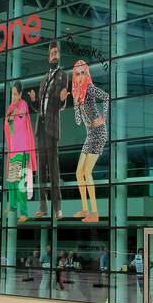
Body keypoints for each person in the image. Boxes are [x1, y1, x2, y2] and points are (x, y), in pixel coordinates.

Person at [29, 40, 69, 221]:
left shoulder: (63, 75)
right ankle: (43, 207)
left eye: (56, 53)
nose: (54, 55)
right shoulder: (44, 79)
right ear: (48, 57)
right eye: (52, 53)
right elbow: (39, 107)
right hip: (41, 130)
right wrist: (34, 101)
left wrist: (63, 100)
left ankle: (58, 209)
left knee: (54, 172)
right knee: (41, 172)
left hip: (52, 129)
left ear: (59, 55)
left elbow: (61, 103)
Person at [70, 60, 109, 223]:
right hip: (89, 134)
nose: (80, 76)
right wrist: (75, 103)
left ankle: (94, 212)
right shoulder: (77, 94)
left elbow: (106, 97)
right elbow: (78, 121)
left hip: (98, 133)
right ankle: (85, 209)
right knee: (79, 172)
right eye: (77, 74)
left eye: (83, 73)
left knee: (87, 172)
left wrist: (103, 117)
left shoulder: (91, 89)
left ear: (87, 74)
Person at [3, 81, 38, 223]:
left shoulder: (23, 105)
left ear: (20, 94)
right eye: (12, 94)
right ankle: (12, 205)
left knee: (20, 182)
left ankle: (24, 212)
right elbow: (6, 125)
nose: (13, 96)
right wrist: (9, 118)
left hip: (22, 149)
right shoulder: (10, 107)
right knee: (11, 181)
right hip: (13, 150)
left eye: (15, 94)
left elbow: (21, 119)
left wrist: (13, 116)